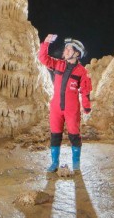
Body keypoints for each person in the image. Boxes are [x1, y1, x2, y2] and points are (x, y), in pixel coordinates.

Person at [38, 33, 92, 173]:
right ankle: (55, 163)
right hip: (56, 107)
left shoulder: (82, 72)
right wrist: (46, 43)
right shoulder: (58, 64)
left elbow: (85, 90)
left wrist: (86, 106)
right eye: (66, 48)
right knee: (55, 135)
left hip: (71, 109)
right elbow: (43, 58)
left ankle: (76, 164)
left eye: (69, 49)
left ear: (77, 53)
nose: (65, 50)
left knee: (74, 135)